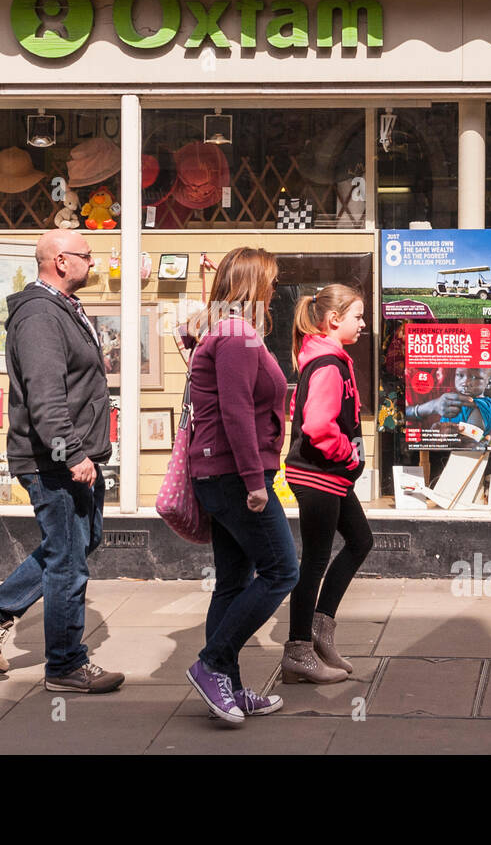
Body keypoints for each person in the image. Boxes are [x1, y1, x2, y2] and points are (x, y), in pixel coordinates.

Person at [0, 230, 123, 693]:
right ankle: (66, 666)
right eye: (86, 256)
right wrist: (71, 453)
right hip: (53, 460)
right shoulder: (38, 315)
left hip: (72, 455)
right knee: (68, 562)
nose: (93, 263)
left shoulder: (61, 307)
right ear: (59, 260)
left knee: (78, 544)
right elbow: (45, 394)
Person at [185, 247, 298, 724]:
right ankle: (212, 664)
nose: (274, 289)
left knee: (233, 581)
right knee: (281, 570)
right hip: (234, 474)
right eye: (269, 281)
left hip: (226, 471)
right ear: (255, 285)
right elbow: (234, 411)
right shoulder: (235, 334)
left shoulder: (230, 328)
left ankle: (225, 686)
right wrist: (255, 481)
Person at [281, 284, 372, 686]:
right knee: (314, 562)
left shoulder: (328, 359)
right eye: (357, 316)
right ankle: (298, 650)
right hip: (319, 475)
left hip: (329, 476)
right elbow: (318, 426)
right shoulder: (329, 365)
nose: (363, 323)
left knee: (360, 541)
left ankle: (319, 633)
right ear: (334, 320)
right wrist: (346, 455)